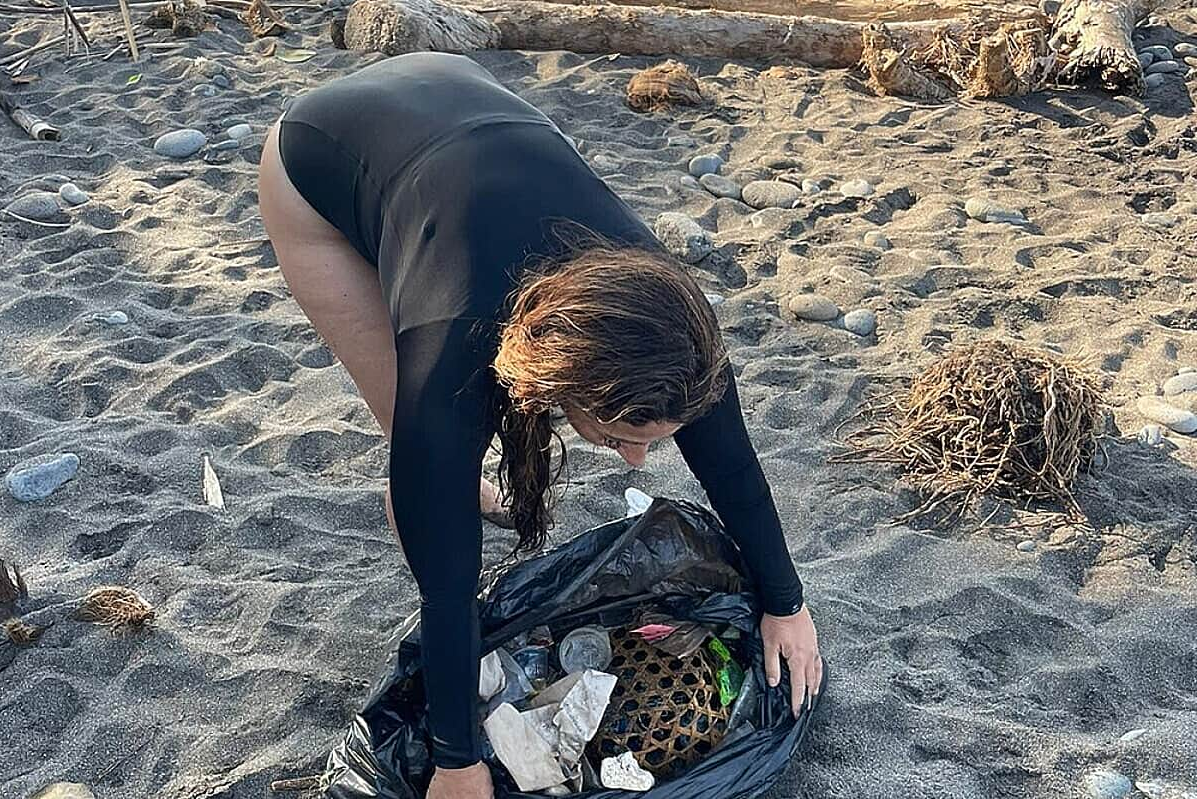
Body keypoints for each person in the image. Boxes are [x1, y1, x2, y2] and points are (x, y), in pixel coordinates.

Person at [257, 52, 821, 799]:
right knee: (427, 456)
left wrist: (787, 600)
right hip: (319, 156)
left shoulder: (669, 321)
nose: (636, 460)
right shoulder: (450, 338)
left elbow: (735, 467)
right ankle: (428, 487)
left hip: (456, 90)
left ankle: (444, 476)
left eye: (654, 438)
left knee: (450, 447)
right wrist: (457, 760)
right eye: (624, 434)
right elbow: (450, 594)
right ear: (564, 386)